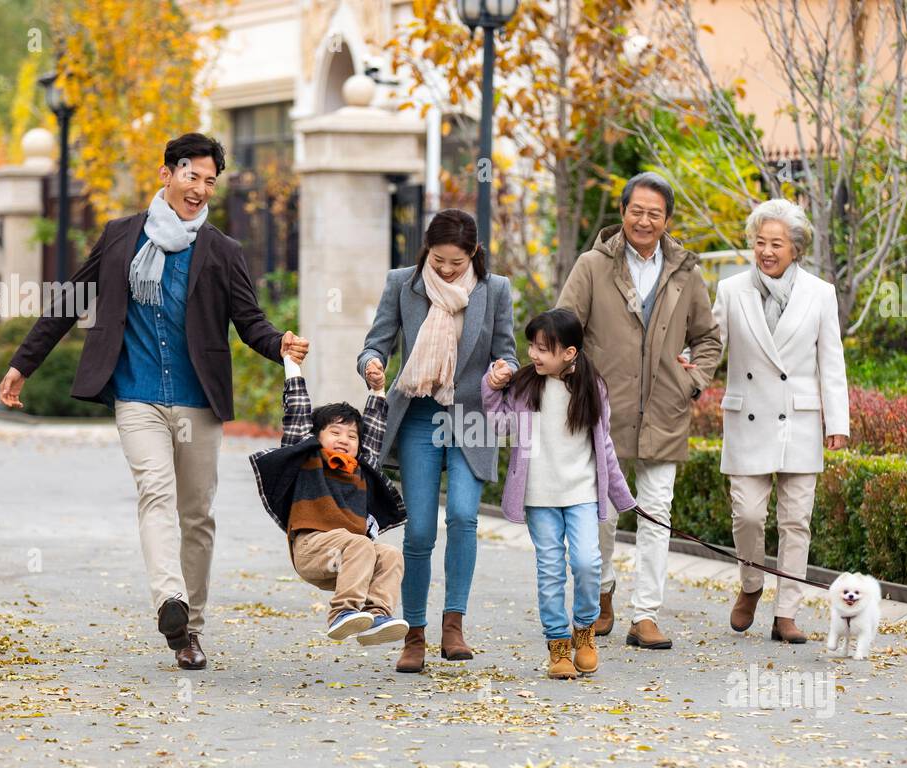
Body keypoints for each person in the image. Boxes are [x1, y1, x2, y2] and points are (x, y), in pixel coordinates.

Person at [0, 133, 308, 670]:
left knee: (197, 515)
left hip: (197, 401)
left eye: (211, 181)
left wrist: (278, 342)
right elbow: (71, 299)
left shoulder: (222, 251)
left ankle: (193, 625)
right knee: (155, 493)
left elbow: (248, 322)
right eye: (192, 175)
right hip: (137, 394)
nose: (201, 189)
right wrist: (22, 364)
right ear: (166, 174)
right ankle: (172, 603)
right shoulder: (121, 237)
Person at [556, 171, 721, 651]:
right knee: (604, 515)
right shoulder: (592, 265)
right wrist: (575, 385)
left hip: (665, 411)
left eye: (655, 213)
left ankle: (645, 613)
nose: (644, 220)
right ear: (623, 212)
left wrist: (691, 381)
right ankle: (602, 591)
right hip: (602, 411)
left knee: (657, 512)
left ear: (667, 219)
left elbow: (708, 338)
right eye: (636, 211)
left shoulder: (686, 273)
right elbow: (565, 329)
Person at [357, 209, 517, 674]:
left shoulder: (496, 290)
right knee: (421, 531)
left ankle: (453, 625)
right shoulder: (403, 284)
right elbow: (376, 343)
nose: (447, 269)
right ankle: (414, 634)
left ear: (474, 255)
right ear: (426, 250)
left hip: (470, 415)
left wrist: (503, 369)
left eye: (457, 262)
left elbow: (505, 350)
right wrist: (370, 364)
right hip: (419, 415)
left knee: (465, 516)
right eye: (440, 260)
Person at [713, 198, 849, 643]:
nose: (766, 251)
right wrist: (690, 363)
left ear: (795, 248)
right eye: (759, 242)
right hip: (747, 416)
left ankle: (786, 612)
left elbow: (831, 362)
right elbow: (712, 345)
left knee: (796, 521)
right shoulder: (732, 290)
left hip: (800, 419)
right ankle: (751, 584)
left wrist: (838, 423)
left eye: (776, 243)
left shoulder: (820, 293)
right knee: (748, 516)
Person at [482, 309, 635, 679]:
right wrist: (490, 387)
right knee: (550, 571)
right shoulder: (523, 385)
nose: (533, 354)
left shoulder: (591, 386)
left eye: (543, 349)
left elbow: (605, 446)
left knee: (587, 563)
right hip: (538, 497)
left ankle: (584, 630)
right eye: (532, 346)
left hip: (582, 492)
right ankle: (558, 646)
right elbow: (500, 425)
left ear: (569, 353)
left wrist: (622, 496)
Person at [248, 355, 408, 646]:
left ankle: (377, 615)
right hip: (312, 550)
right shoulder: (307, 456)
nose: (344, 439)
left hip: (348, 561)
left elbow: (375, 429)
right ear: (317, 436)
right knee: (361, 543)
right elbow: (297, 413)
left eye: (351, 436)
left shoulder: (363, 466)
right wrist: (292, 364)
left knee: (390, 555)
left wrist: (377, 390)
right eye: (334, 432)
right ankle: (342, 613)